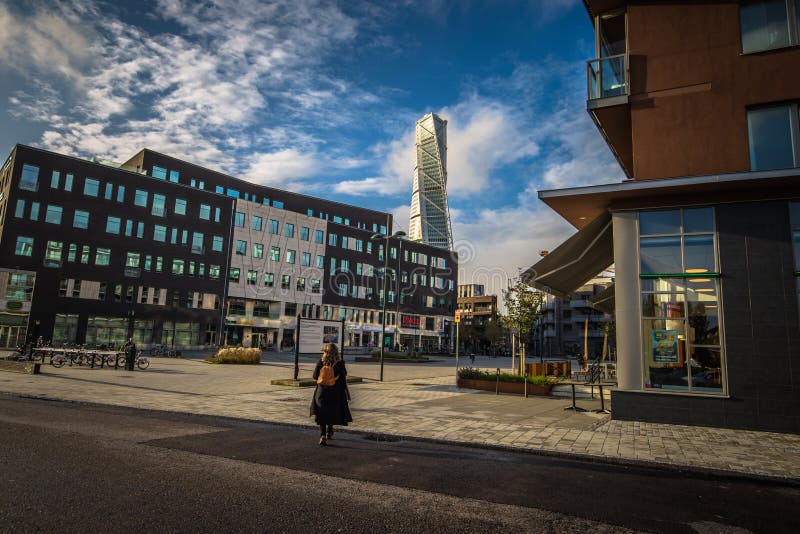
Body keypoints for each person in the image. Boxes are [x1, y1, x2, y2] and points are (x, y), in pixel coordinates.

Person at [309, 343, 352, 446]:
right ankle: (330, 430)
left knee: (322, 412)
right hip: (335, 392)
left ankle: (322, 435)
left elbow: (315, 376)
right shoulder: (340, 363)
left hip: (322, 392)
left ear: (325, 352)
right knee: (332, 411)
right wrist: (345, 391)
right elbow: (343, 378)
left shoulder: (321, 362)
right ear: (336, 352)